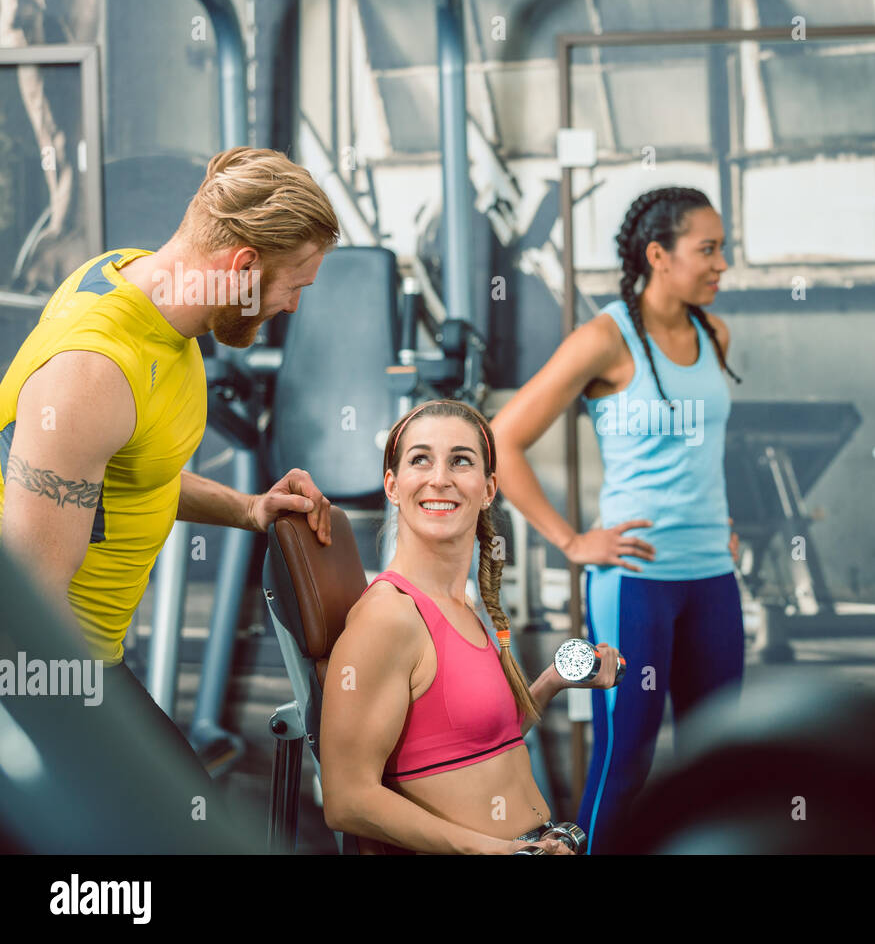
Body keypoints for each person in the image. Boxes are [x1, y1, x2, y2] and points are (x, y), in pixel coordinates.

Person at [0, 147, 339, 787]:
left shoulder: (127, 274)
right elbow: (26, 614)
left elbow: (123, 477)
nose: (292, 307)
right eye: (294, 285)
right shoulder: (93, 372)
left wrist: (249, 509)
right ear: (241, 267)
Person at [490, 186, 745, 853]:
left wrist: (719, 520)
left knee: (716, 760)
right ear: (658, 254)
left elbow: (700, 451)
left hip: (712, 575)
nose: (722, 264)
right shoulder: (605, 338)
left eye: (724, 249)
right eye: (708, 249)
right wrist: (571, 541)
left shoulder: (713, 333)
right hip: (633, 581)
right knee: (626, 757)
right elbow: (500, 440)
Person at [319, 400, 622, 854]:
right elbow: (346, 800)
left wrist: (553, 681)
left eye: (461, 461)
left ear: (488, 488)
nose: (440, 478)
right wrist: (495, 851)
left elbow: (476, 745)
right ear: (393, 486)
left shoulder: (462, 607)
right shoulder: (390, 616)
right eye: (420, 460)